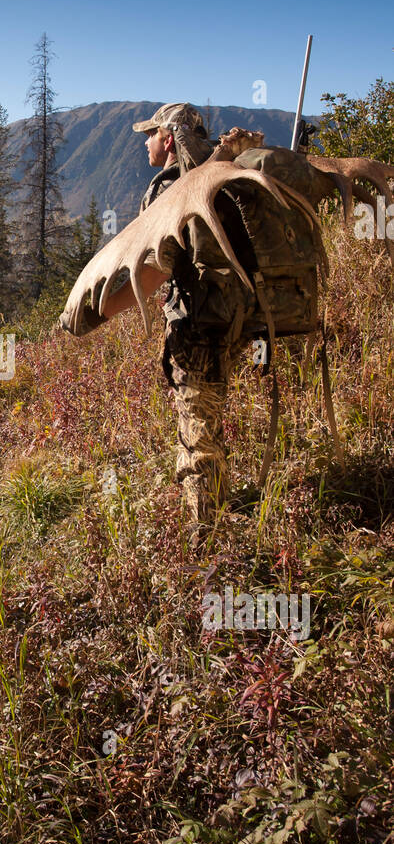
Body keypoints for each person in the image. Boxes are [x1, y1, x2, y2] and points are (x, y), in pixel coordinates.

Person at [130, 103, 250, 538]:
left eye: (150, 135)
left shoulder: (171, 188)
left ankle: (208, 539)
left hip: (195, 325)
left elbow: (156, 263)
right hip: (234, 318)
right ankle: (221, 504)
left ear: (168, 138)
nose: (145, 142)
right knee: (209, 417)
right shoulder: (225, 178)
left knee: (195, 434)